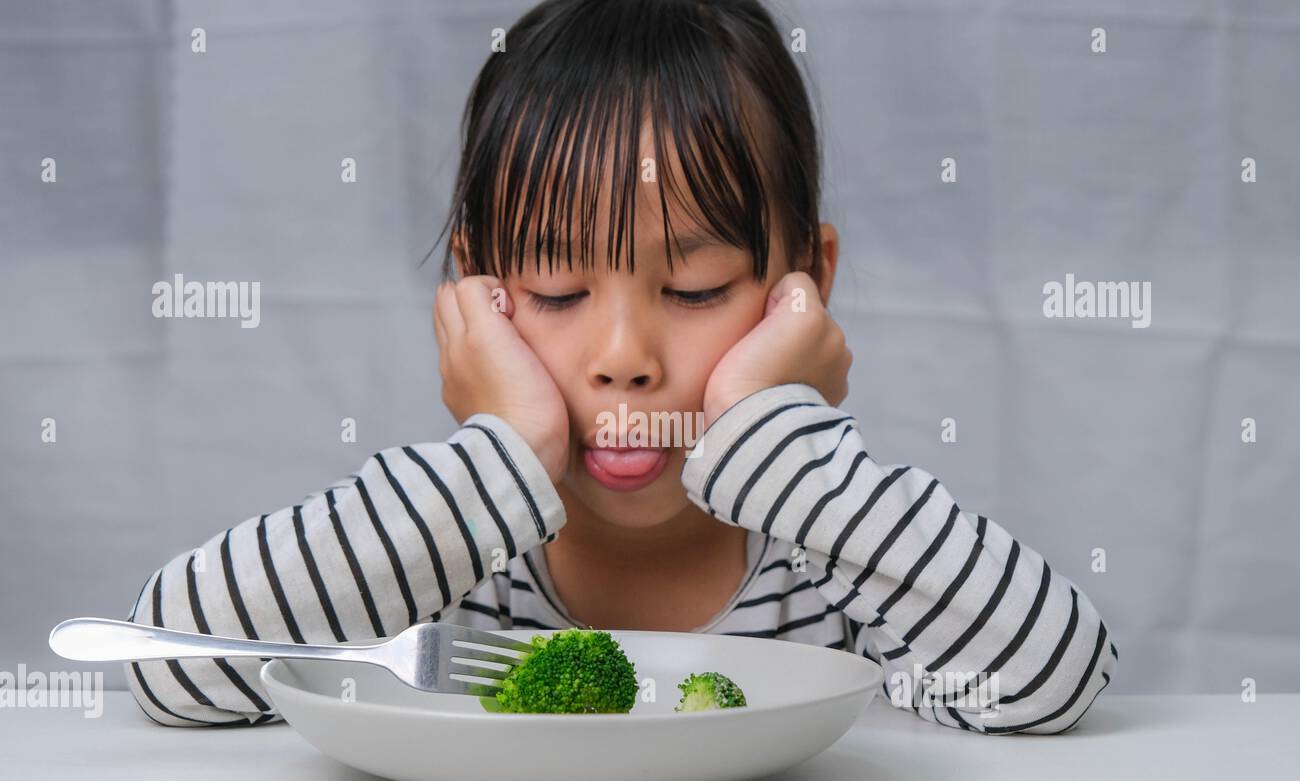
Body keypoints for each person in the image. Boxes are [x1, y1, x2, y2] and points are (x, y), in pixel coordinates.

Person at [122, 0, 1116, 733]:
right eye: (556, 294)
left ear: (804, 285)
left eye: (694, 291)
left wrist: (778, 437)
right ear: (480, 293)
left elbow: (1051, 678)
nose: (624, 359)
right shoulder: (437, 557)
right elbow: (170, 659)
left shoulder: (844, 559)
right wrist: (500, 454)